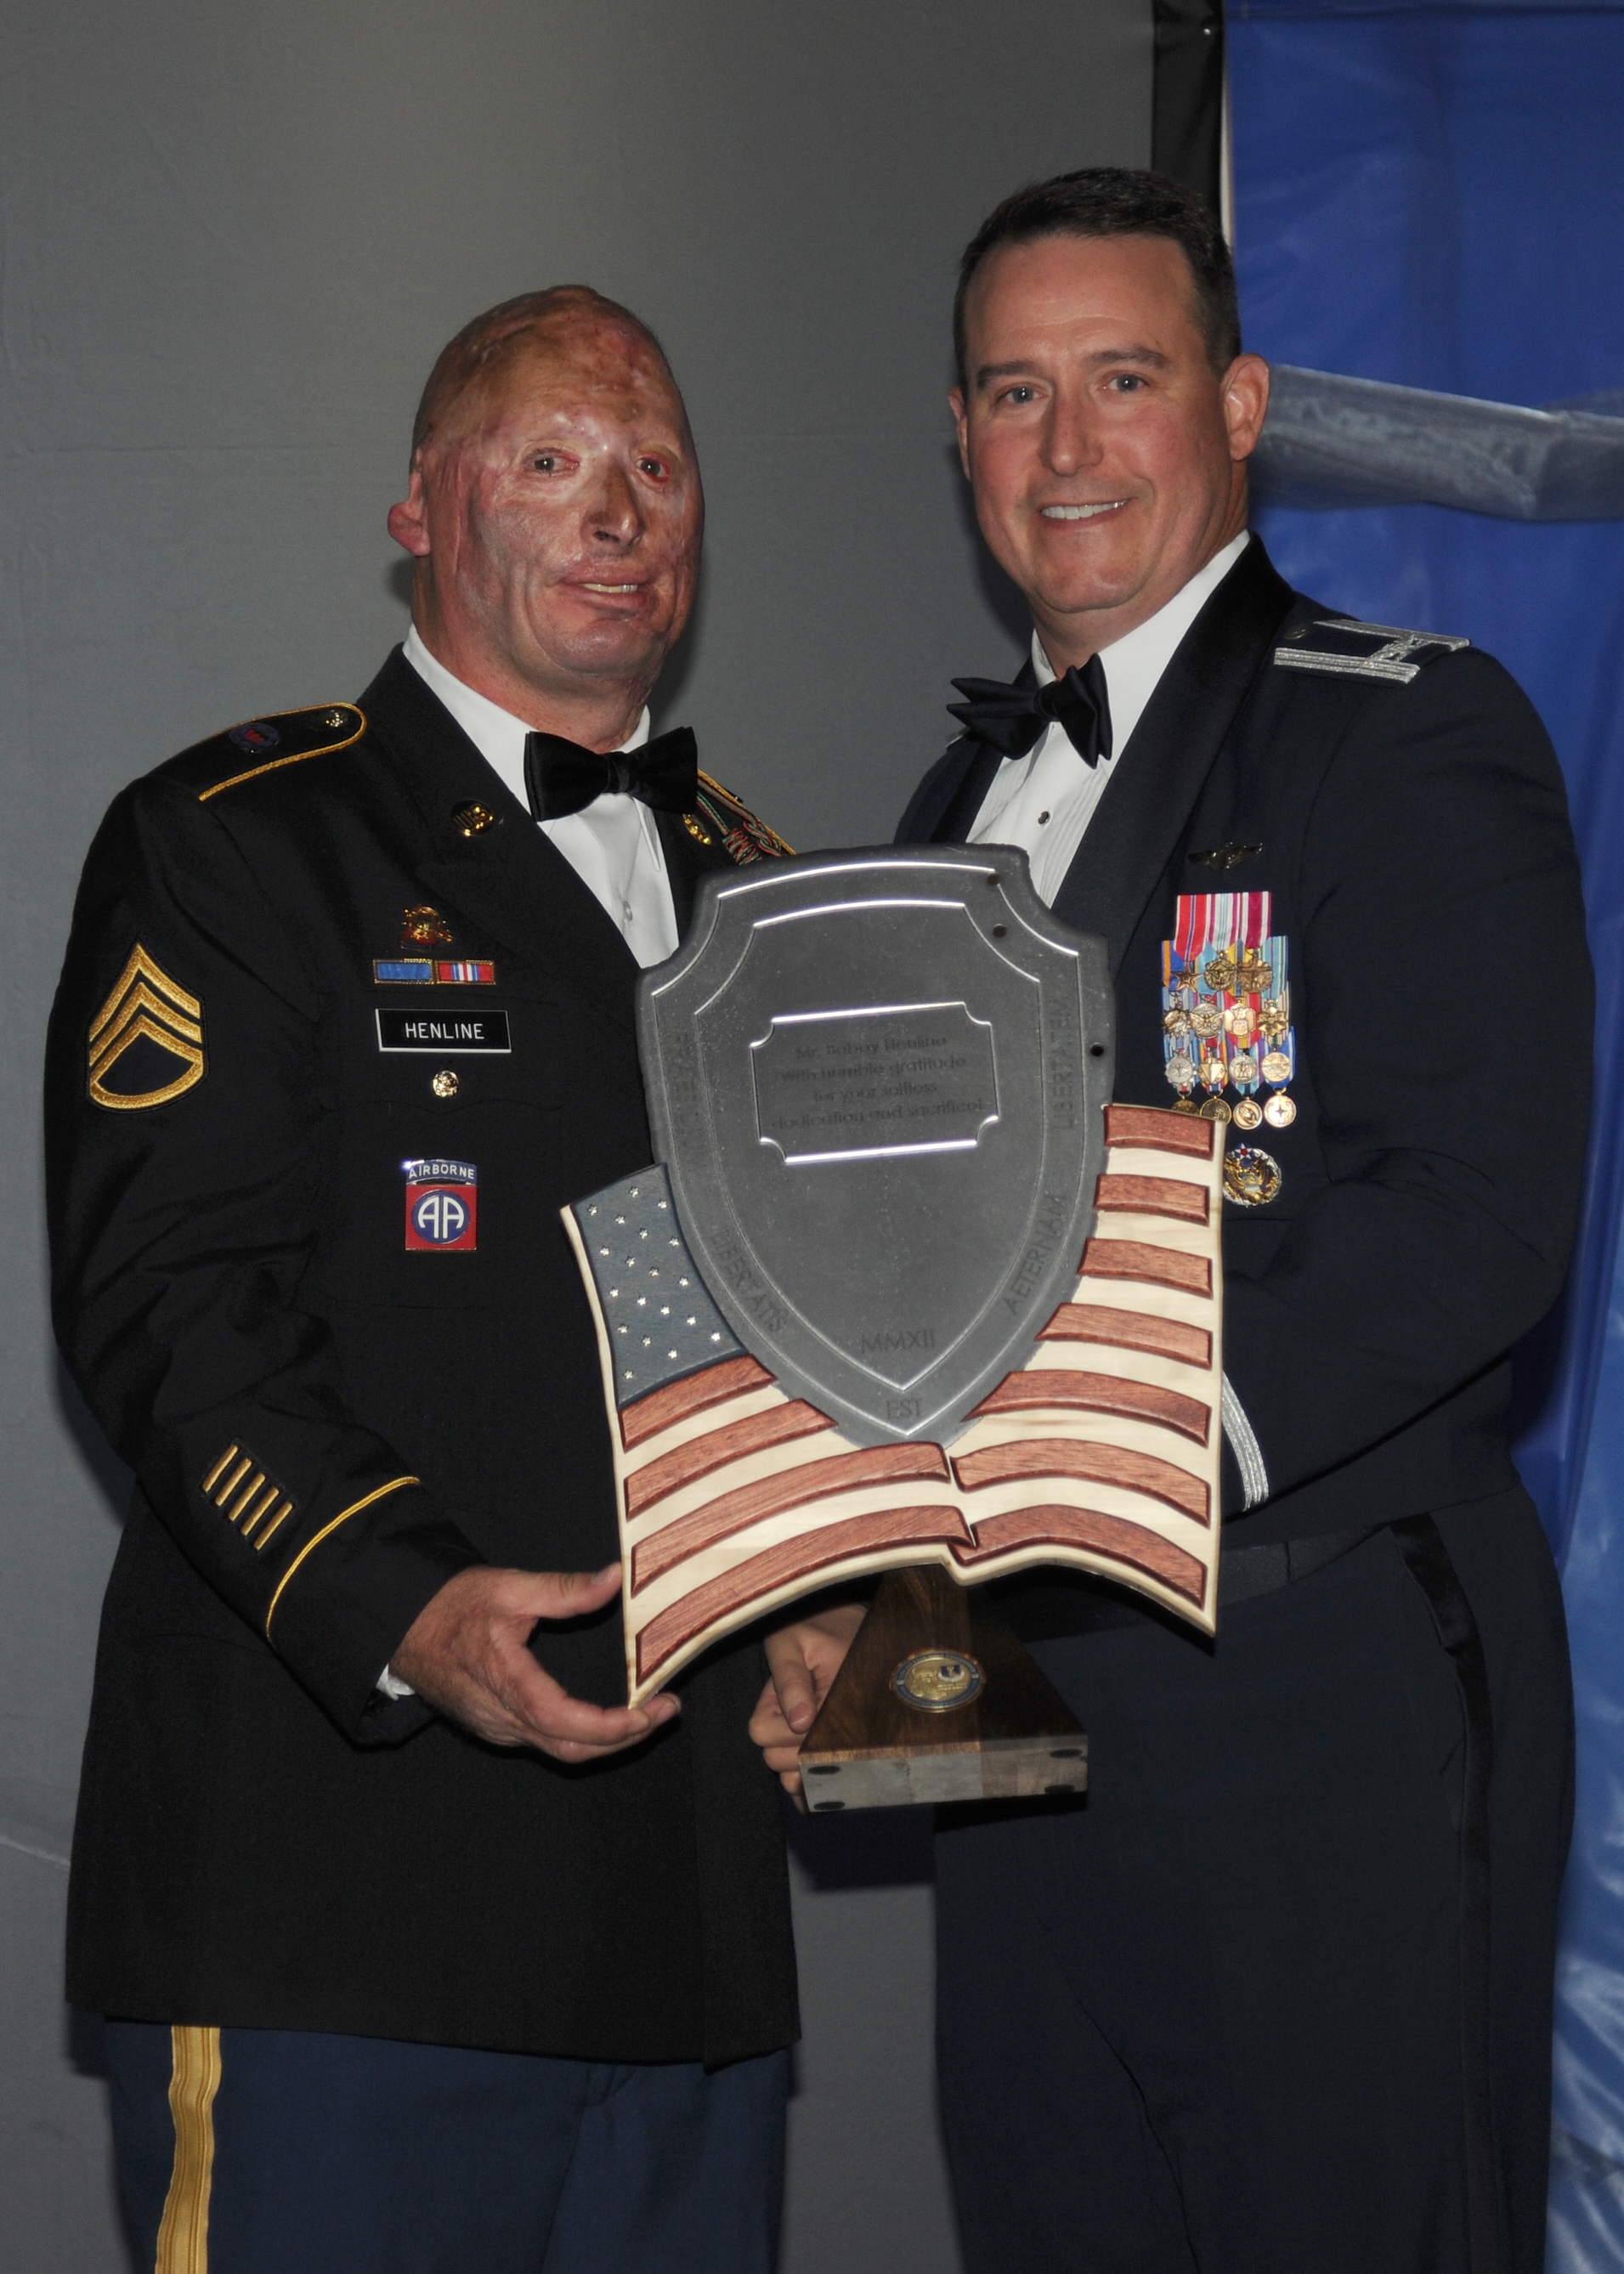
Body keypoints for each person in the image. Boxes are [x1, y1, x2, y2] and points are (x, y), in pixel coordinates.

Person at [753, 170, 1590, 2274]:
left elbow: (1480, 1221)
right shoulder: (949, 818)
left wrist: (1096, 1454)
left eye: (1118, 381)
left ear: (1235, 406)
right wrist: (854, 1582)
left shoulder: (1406, 734)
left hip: (1322, 1685)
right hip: (1019, 1712)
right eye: (1013, 394)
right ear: (956, 441)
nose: (1064, 447)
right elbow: (928, 1296)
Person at [48, 285, 798, 2274]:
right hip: (336, 1897)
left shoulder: (773, 890)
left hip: (687, 1930)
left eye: (653, 463)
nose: (617, 510)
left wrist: (851, 1589)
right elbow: (165, 1309)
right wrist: (402, 1606)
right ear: (419, 510)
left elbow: (809, 1336)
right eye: (549, 461)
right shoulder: (239, 844)